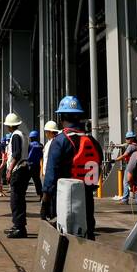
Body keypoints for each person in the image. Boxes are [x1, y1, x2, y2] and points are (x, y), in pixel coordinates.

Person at [41, 95, 103, 239]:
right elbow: (98, 165)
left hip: (65, 196)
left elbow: (51, 173)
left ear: (61, 117)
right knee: (87, 231)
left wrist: (45, 200)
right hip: (87, 196)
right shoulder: (92, 141)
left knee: (66, 234)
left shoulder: (60, 141)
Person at [2, 112, 30, 237]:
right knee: (19, 199)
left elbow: (16, 154)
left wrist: (9, 170)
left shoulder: (15, 136)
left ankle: (20, 228)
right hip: (24, 169)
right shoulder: (23, 135)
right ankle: (17, 225)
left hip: (18, 170)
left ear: (9, 126)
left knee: (16, 200)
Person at [40, 119, 59, 219]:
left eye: (47, 132)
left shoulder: (54, 143)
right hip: (48, 173)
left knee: (50, 197)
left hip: (50, 174)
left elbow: (49, 160)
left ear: (51, 132)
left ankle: (51, 216)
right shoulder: (50, 142)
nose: (46, 134)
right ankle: (49, 214)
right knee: (49, 197)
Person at [113, 130, 137, 203]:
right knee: (135, 182)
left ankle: (125, 199)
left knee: (126, 182)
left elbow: (125, 155)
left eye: (127, 138)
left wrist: (115, 160)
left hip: (130, 165)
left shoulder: (131, 146)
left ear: (132, 138)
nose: (126, 140)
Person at [26, 130, 44, 201]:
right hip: (37, 165)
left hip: (29, 164)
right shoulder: (40, 145)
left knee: (25, 180)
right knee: (37, 181)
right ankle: (41, 195)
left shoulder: (30, 145)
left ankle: (22, 194)